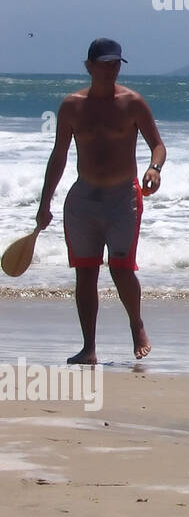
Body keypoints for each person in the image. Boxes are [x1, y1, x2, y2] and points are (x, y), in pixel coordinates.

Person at [36, 39, 166, 363]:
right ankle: (89, 348)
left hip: (123, 197)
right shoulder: (71, 106)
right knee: (86, 274)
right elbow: (59, 156)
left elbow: (158, 146)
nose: (112, 69)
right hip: (83, 200)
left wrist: (155, 168)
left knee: (122, 270)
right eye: (105, 63)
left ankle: (136, 326)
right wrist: (44, 203)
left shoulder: (133, 103)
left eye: (116, 63)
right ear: (89, 66)